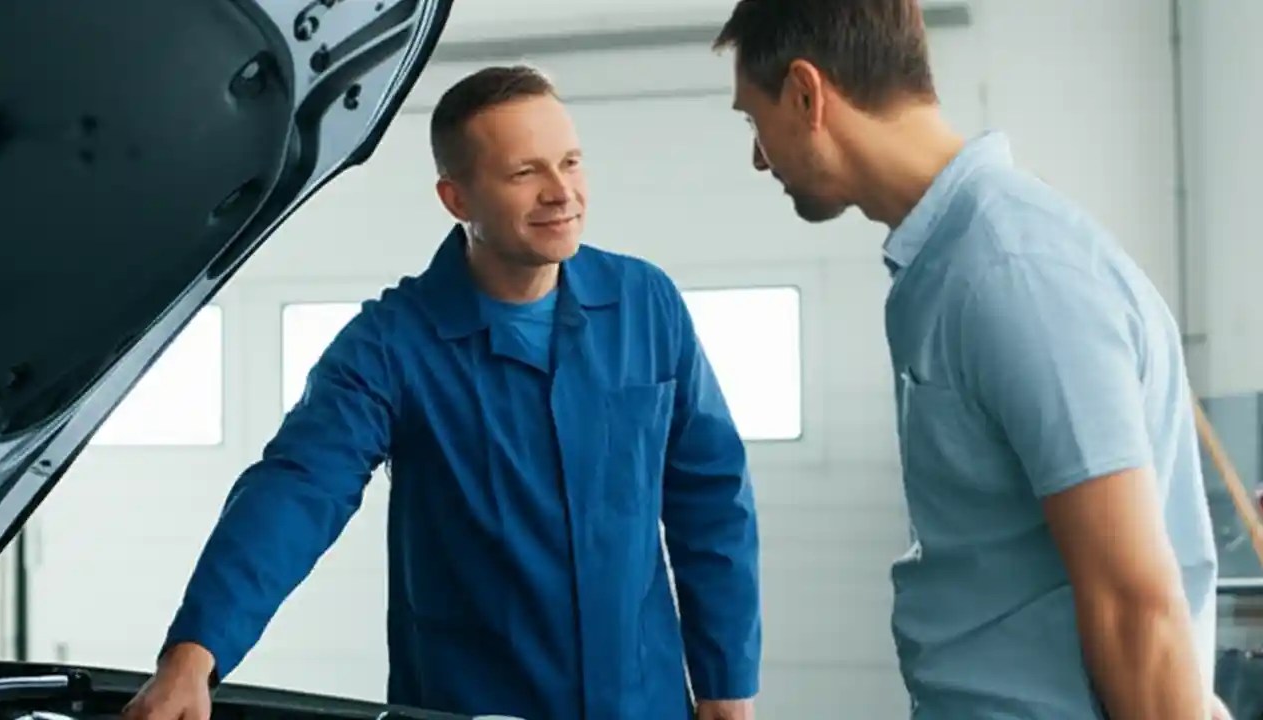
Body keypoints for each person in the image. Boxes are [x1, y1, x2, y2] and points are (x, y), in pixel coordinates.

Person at [121, 65, 761, 720]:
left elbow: (710, 499)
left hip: (644, 704)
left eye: (570, 161)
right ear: (457, 199)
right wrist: (193, 654)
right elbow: (297, 489)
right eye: (524, 173)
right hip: (475, 706)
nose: (562, 191)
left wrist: (726, 685)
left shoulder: (645, 305)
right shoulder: (391, 346)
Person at [711, 1, 1224, 718]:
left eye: (752, 119)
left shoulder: (1011, 271)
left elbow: (1135, 607)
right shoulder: (948, 264)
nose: (759, 156)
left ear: (806, 94)